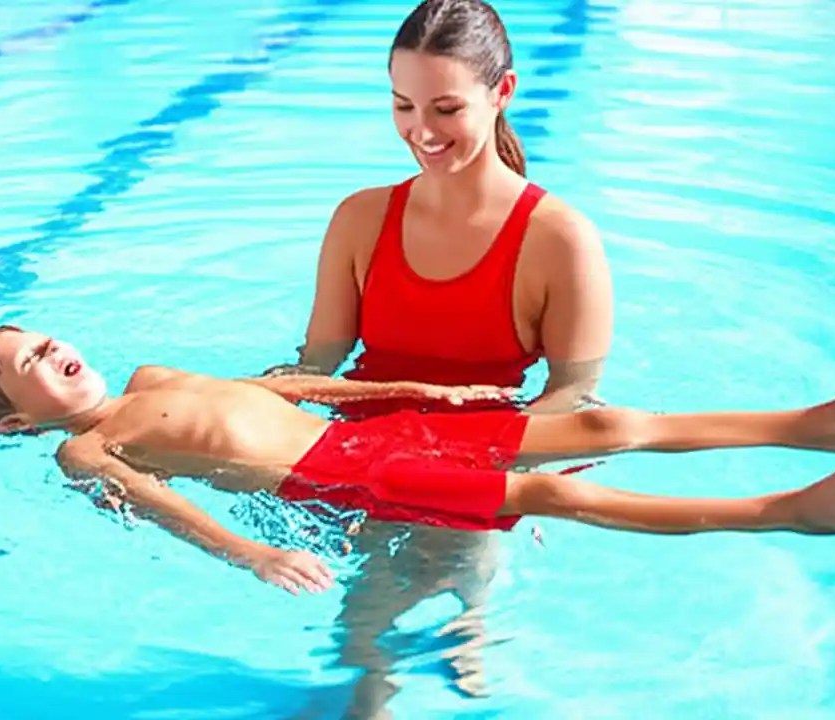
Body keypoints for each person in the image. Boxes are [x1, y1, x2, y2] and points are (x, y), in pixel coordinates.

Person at [0, 313, 835, 595]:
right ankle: (785, 509)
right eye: (25, 363)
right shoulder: (86, 451)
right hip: (336, 476)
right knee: (534, 494)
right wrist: (255, 554)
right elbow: (167, 508)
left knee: (606, 426)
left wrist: (417, 393)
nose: (48, 349)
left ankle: (823, 421)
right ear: (17, 418)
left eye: (42, 336)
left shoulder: (148, 373)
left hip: (365, 433)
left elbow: (284, 388)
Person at [262, 0, 612, 708]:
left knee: (405, 585)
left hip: (480, 449)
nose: (420, 131)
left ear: (502, 92)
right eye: (402, 105)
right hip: (363, 449)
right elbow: (318, 362)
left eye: (446, 108)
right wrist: (242, 402)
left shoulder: (560, 239)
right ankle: (435, 632)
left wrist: (459, 460)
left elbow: (572, 395)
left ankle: (458, 623)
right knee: (370, 600)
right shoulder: (360, 219)